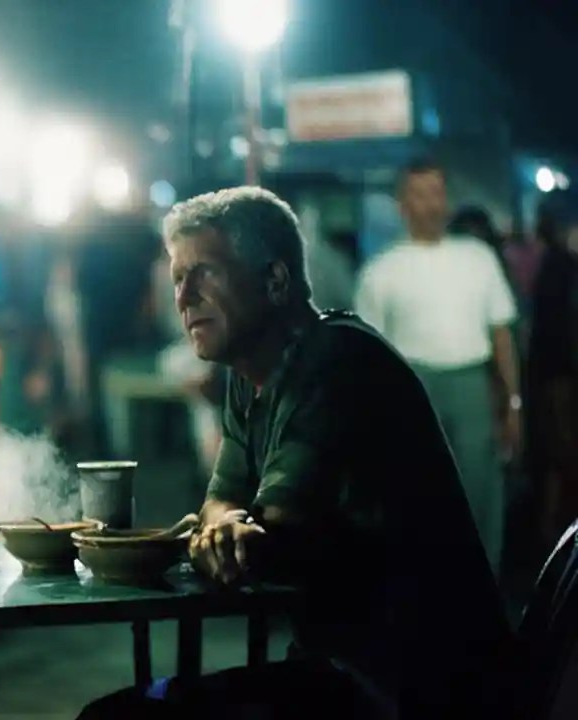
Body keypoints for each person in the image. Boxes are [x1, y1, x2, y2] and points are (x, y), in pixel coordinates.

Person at [78, 187, 511, 719]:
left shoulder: (336, 361)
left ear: (276, 280)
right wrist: (223, 524)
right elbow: (223, 500)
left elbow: (272, 530)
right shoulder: (249, 377)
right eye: (178, 278)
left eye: (205, 273)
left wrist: (228, 535)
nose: (185, 297)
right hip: (344, 668)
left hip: (417, 682)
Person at [354, 159, 521, 575]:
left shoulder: (477, 258)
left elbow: (501, 335)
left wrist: (513, 403)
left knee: (479, 491)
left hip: (471, 385)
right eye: (419, 195)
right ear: (401, 204)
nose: (430, 204)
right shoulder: (381, 270)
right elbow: (368, 354)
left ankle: (484, 590)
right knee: (417, 496)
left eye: (436, 193)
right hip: (413, 390)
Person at [525, 198, 578, 548]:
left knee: (559, 454)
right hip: (562, 375)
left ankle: (551, 528)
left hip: (555, 373)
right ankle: (553, 529)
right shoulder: (562, 266)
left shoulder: (556, 265)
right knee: (563, 452)